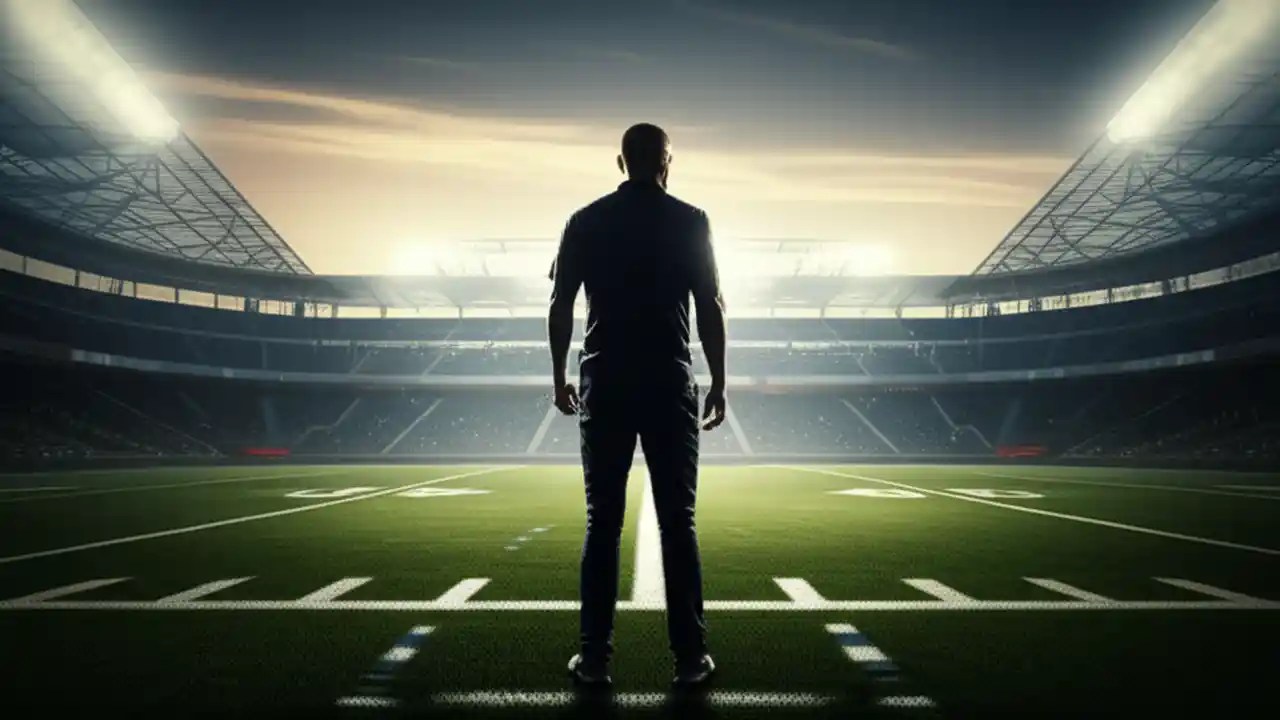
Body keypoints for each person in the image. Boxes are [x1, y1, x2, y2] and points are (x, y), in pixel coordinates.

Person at [547, 122, 727, 687]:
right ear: (667, 162)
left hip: (607, 377)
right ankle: (690, 658)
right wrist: (719, 381)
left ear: (620, 163)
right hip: (669, 380)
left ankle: (595, 659)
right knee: (679, 522)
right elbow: (711, 306)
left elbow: (560, 303)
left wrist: (558, 378)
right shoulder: (691, 221)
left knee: (603, 521)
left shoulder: (584, 220)